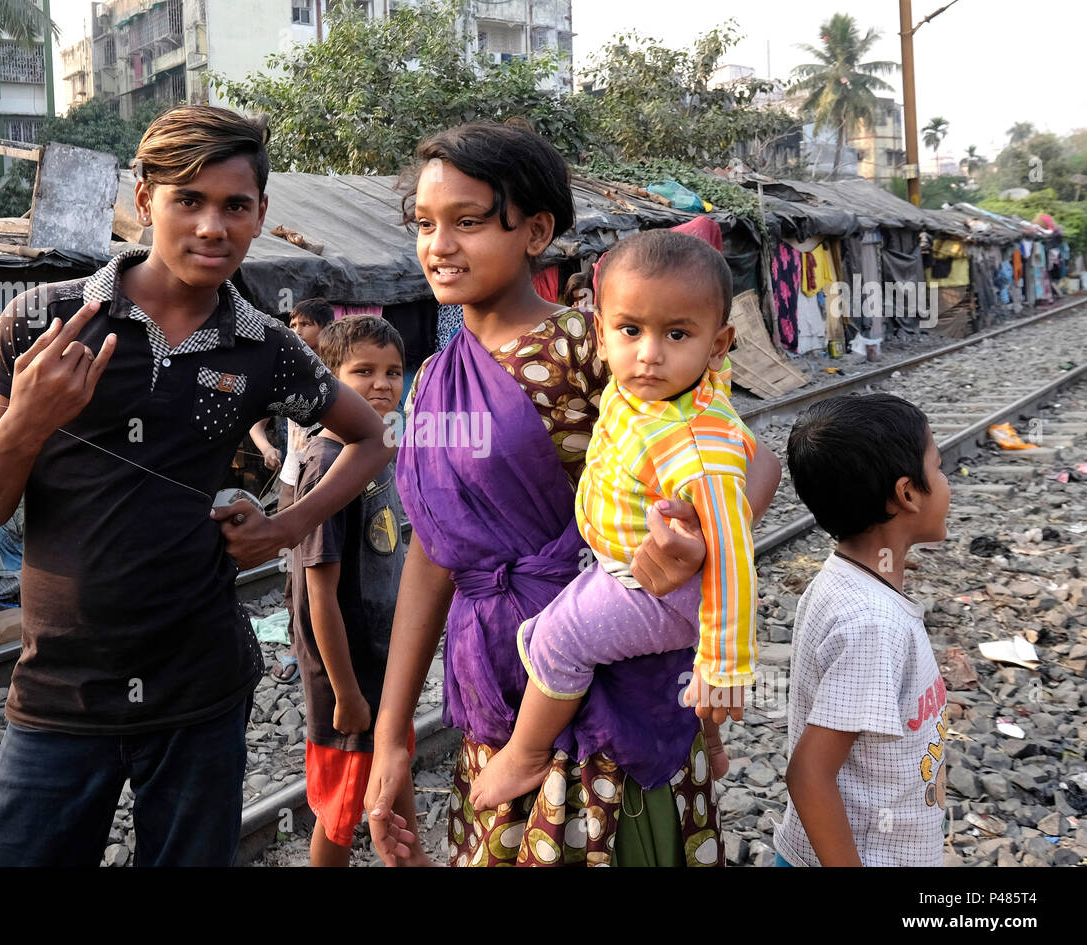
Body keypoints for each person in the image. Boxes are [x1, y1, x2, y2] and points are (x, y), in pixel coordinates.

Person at [0, 105, 390, 867]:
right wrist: (29, 421)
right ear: (146, 201)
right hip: (59, 692)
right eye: (189, 200)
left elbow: (371, 440)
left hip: (201, 692)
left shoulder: (265, 348)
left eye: (235, 206)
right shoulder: (44, 323)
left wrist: (287, 528)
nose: (213, 226)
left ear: (258, 218)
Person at [363, 120, 782, 867]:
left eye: (468, 222)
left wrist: (685, 544)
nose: (439, 246)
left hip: (612, 682)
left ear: (537, 230)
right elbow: (435, 548)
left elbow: (755, 462)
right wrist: (391, 737)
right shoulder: (430, 379)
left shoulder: (601, 343)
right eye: (425, 224)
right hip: (496, 682)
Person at [470, 229, 757, 811]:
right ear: (601, 332)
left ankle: (524, 754)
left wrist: (726, 663)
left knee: (554, 638)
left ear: (718, 343)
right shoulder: (656, 388)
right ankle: (713, 742)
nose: (649, 353)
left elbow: (734, 556)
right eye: (631, 330)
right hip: (622, 563)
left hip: (658, 589)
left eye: (677, 334)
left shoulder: (699, 446)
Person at [774, 394, 950, 867]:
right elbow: (809, 774)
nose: (947, 482)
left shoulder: (841, 579)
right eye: (939, 467)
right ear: (908, 493)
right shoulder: (872, 625)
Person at [288, 314, 427, 866]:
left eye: (393, 371)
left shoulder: (380, 450)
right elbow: (318, 595)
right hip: (346, 669)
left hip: (382, 657)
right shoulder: (327, 462)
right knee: (341, 808)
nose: (382, 384)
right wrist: (345, 693)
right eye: (363, 371)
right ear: (330, 378)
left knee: (392, 766)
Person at [248, 296, 336, 683]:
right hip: (291, 481)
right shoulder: (286, 371)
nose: (296, 331)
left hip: (332, 480)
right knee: (294, 571)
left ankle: (330, 645)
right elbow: (256, 423)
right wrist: (268, 448)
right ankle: (296, 645)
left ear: (325, 328)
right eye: (293, 323)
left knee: (327, 568)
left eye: (304, 324)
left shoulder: (339, 373)